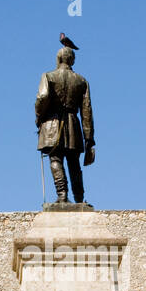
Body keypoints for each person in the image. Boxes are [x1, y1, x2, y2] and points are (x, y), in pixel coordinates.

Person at [35, 45, 95, 204]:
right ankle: (79, 198)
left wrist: (38, 117)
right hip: (73, 125)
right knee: (74, 164)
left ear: (59, 59)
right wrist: (89, 138)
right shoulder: (81, 81)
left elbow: (42, 97)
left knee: (55, 159)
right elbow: (86, 110)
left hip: (51, 124)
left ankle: (62, 195)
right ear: (72, 60)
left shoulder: (48, 76)